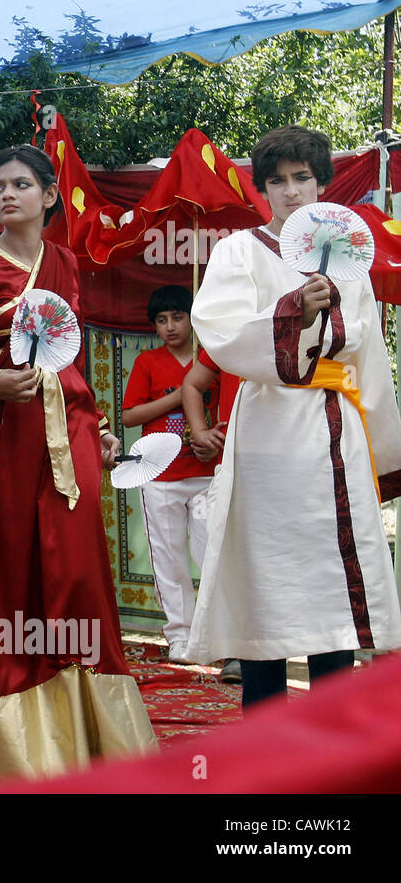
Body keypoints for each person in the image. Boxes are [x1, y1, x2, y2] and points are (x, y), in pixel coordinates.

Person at [0, 144, 156, 790]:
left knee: (76, 577)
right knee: (10, 578)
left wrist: (102, 429)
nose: (7, 195)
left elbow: (67, 358)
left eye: (22, 184)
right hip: (1, 446)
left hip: (69, 443)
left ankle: (91, 743)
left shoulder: (66, 263)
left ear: (49, 195)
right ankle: (19, 753)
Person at [184, 125, 401, 708]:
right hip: (269, 430)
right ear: (263, 190)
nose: (291, 192)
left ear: (323, 183)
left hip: (337, 427)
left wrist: (384, 451)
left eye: (302, 178)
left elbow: (368, 351)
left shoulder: (349, 257)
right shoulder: (239, 249)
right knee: (268, 570)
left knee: (334, 570)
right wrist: (292, 311)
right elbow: (224, 333)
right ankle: (263, 723)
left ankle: (332, 724)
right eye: (276, 181)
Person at [121, 286, 218, 666]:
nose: (171, 326)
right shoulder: (148, 362)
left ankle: (214, 634)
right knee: (169, 559)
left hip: (207, 473)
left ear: (193, 318)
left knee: (211, 553)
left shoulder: (212, 360)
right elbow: (130, 416)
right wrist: (181, 394)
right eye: (162, 321)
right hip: (160, 474)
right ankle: (181, 636)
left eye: (178, 317)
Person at [179, 346, 243, 683]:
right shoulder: (228, 328)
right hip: (235, 462)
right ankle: (238, 652)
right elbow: (192, 384)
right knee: (233, 558)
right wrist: (200, 430)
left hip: (295, 459)